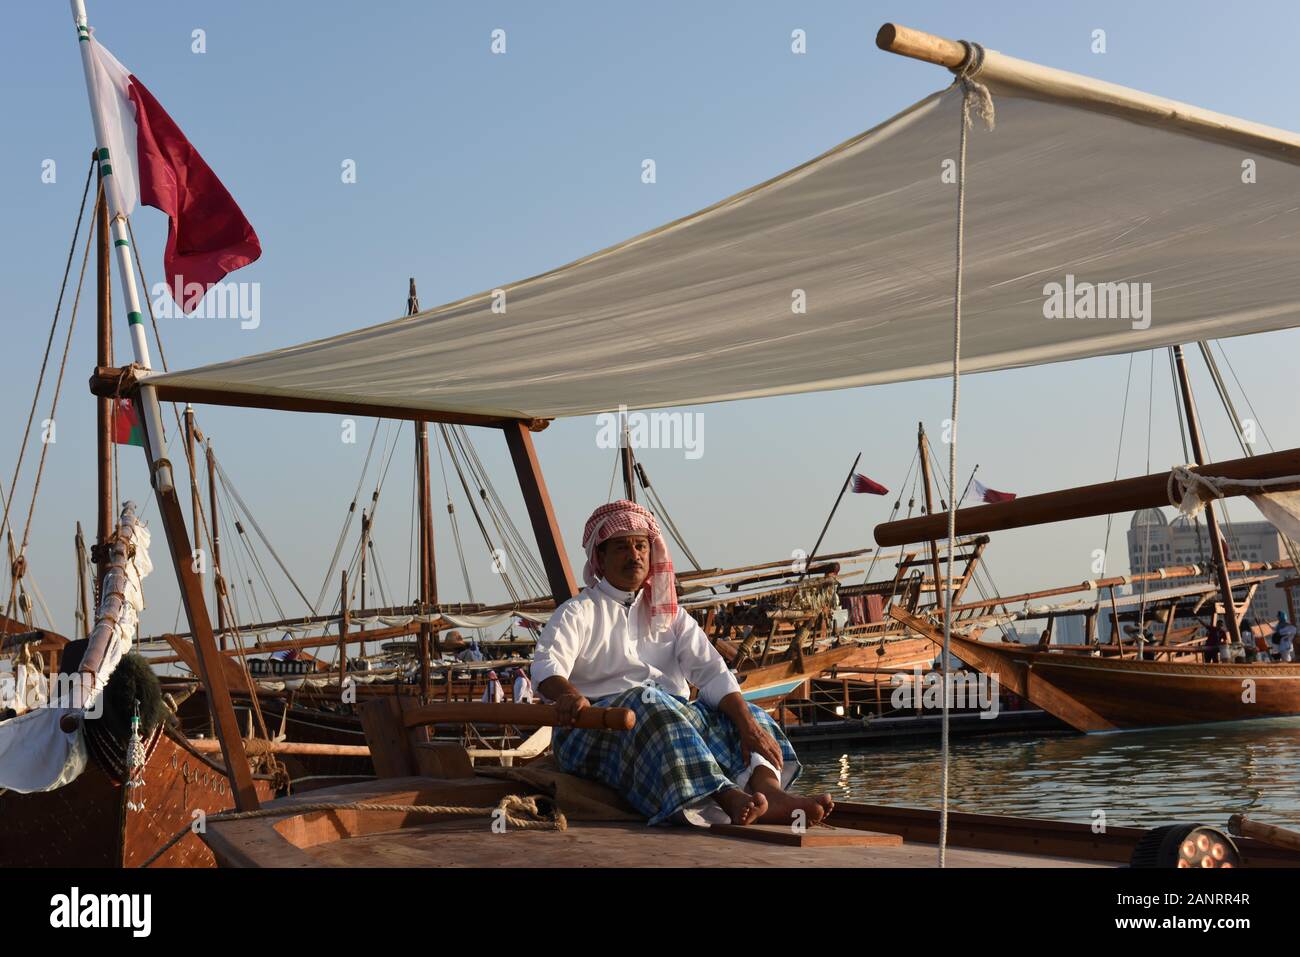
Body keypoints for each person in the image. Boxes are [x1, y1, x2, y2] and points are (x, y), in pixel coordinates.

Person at [533, 500, 834, 828]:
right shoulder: (580, 611)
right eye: (621, 547)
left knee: (747, 713)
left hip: (664, 716)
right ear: (600, 558)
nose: (634, 555)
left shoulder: (670, 613)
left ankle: (770, 793)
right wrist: (566, 694)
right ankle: (729, 798)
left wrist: (747, 724)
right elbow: (548, 665)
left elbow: (712, 672)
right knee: (647, 700)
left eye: (640, 546)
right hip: (593, 727)